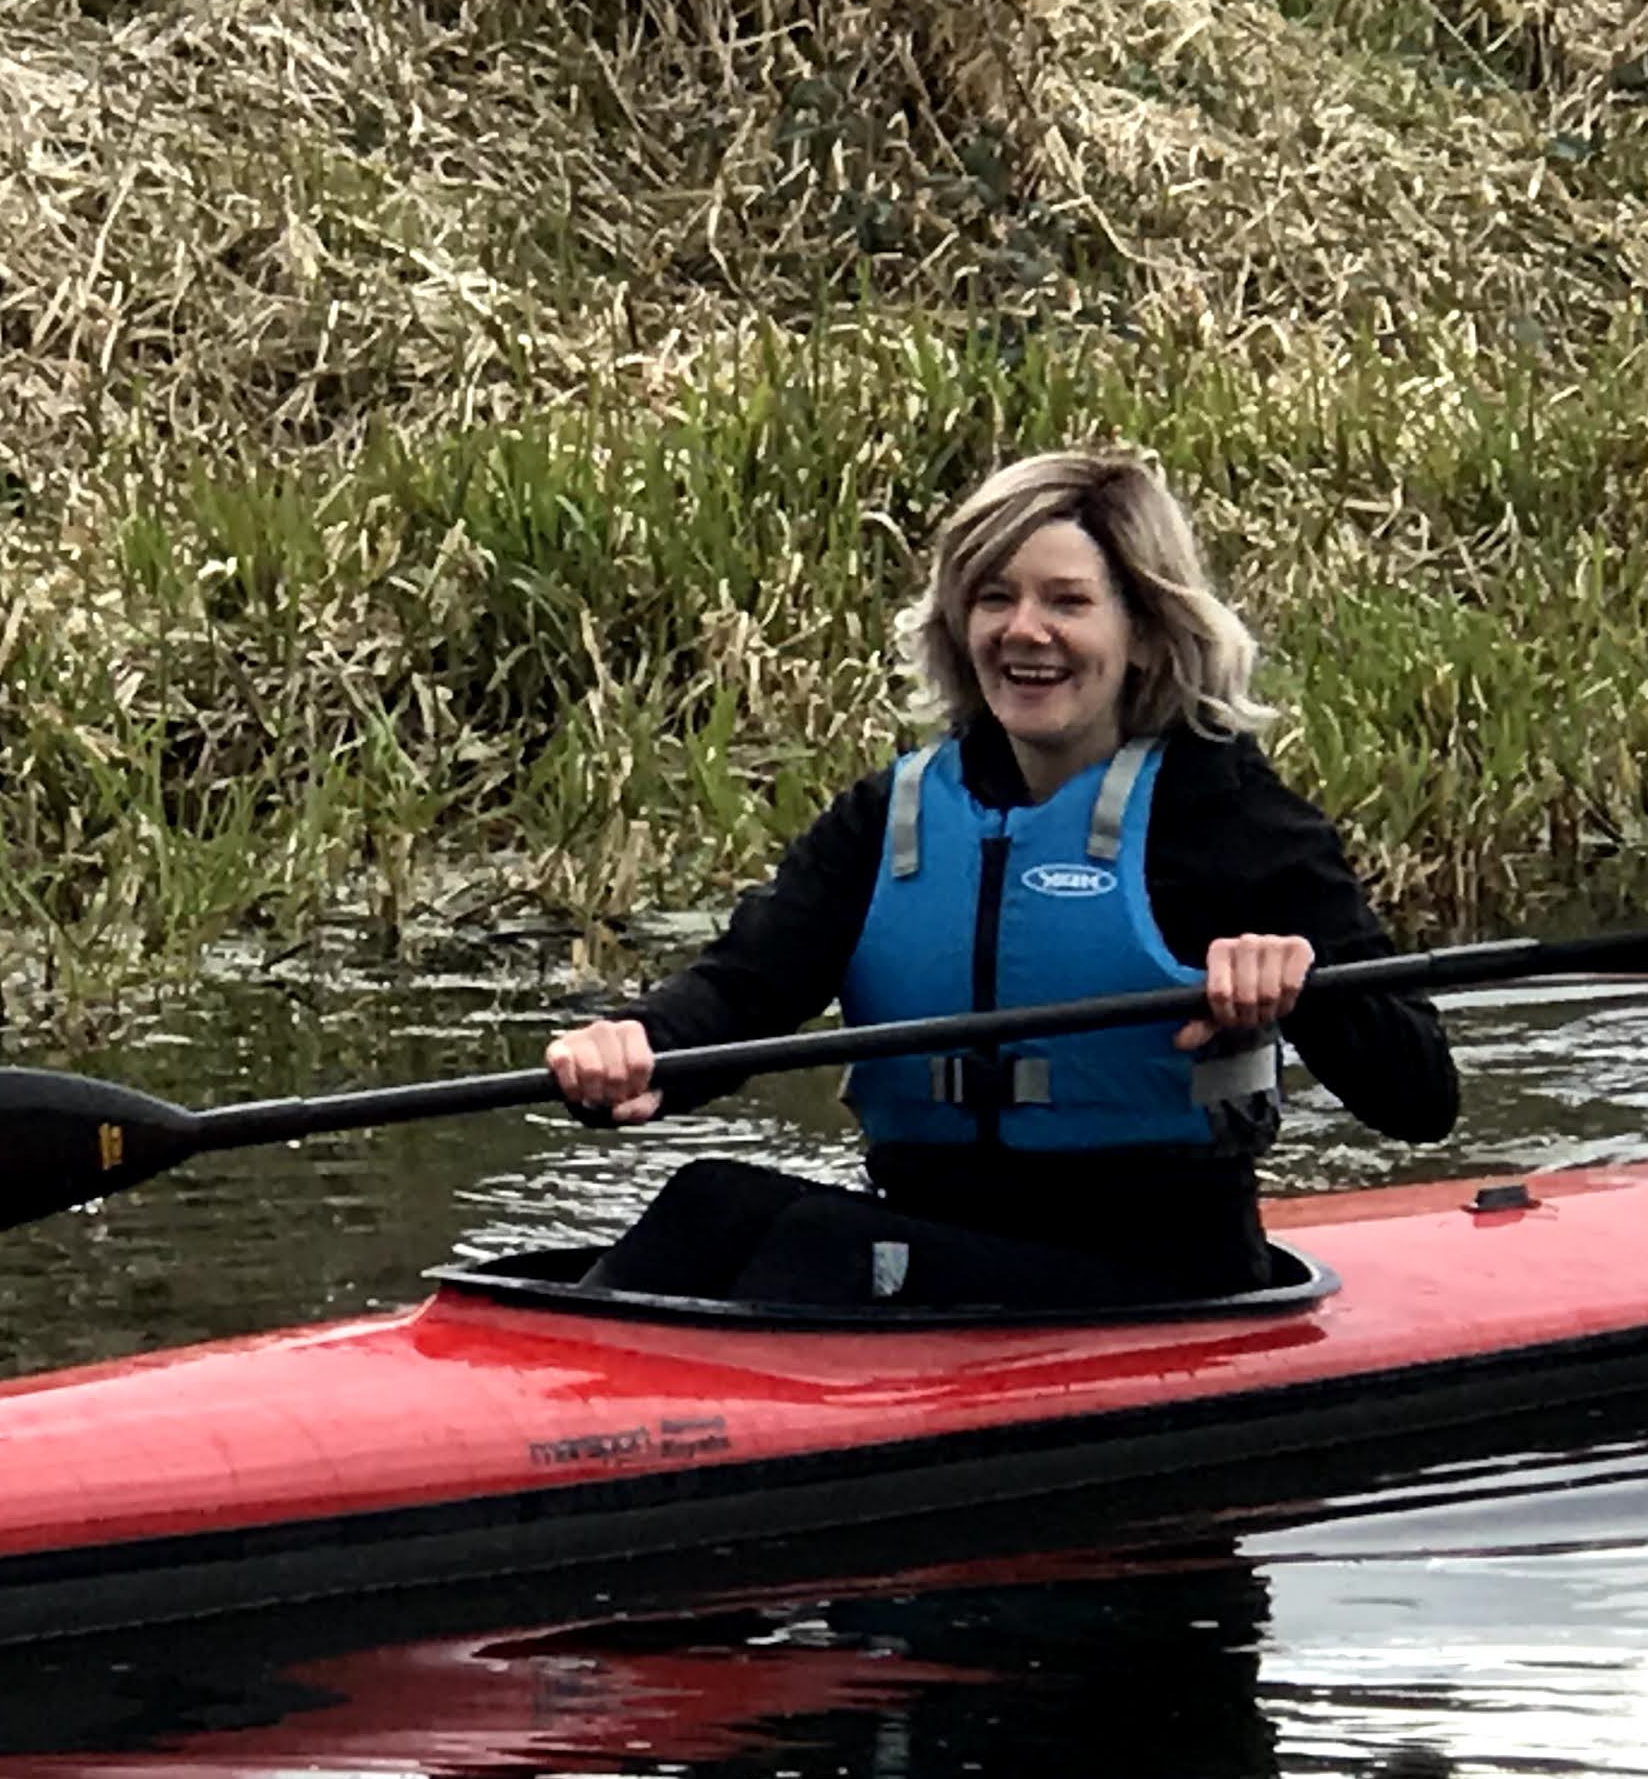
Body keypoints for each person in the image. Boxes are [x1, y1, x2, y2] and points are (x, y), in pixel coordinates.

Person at [542, 448, 1458, 1307]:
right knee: (711, 1200)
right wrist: (633, 1046)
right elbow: (743, 991)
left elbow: (1420, 1098)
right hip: (939, 1241)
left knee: (814, 1246)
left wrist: (1304, 987)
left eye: (1067, 601)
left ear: (1142, 631)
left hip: (1160, 1275)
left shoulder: (1231, 819)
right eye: (993, 597)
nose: (1025, 631)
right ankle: (547, 1409)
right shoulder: (890, 816)